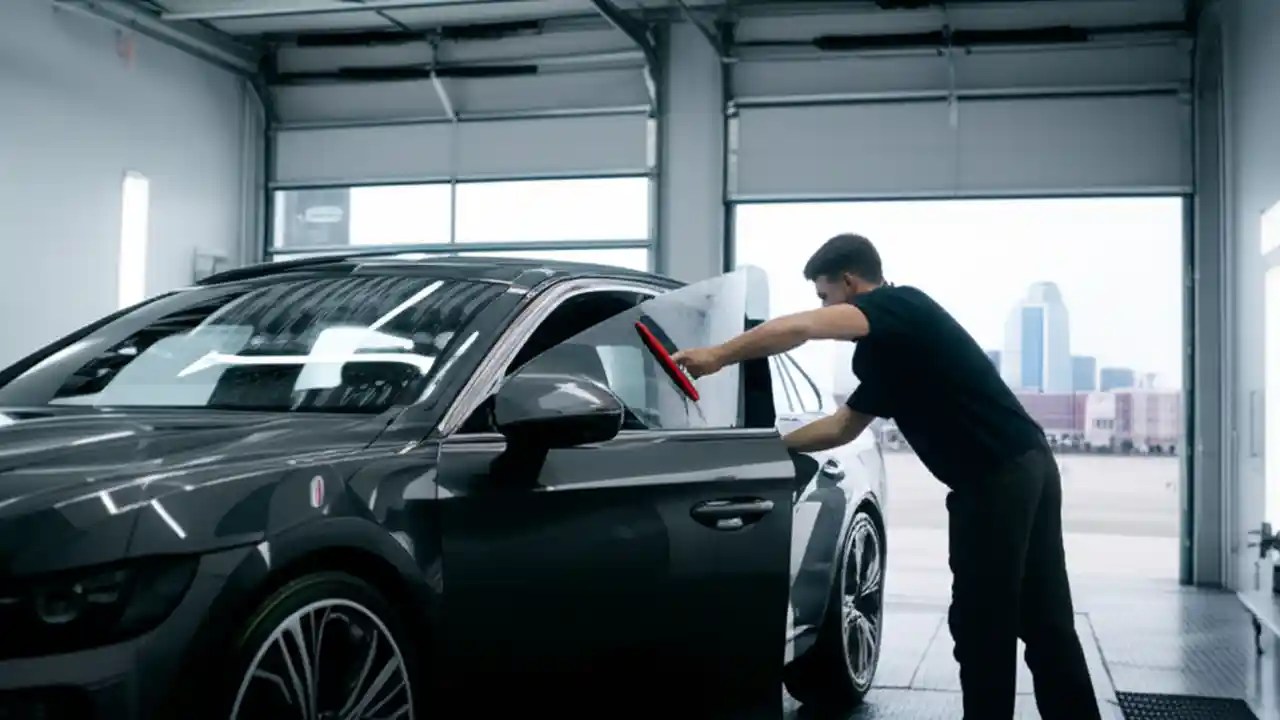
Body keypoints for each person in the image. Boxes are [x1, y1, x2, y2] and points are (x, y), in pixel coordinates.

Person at [671, 234, 1100, 720]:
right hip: (1027, 463)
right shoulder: (890, 350)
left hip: (996, 478)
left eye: (825, 294)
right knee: (1044, 621)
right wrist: (767, 446)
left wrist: (717, 356)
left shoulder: (899, 305)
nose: (823, 306)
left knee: (984, 623)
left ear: (851, 283)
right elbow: (841, 426)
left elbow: (802, 328)